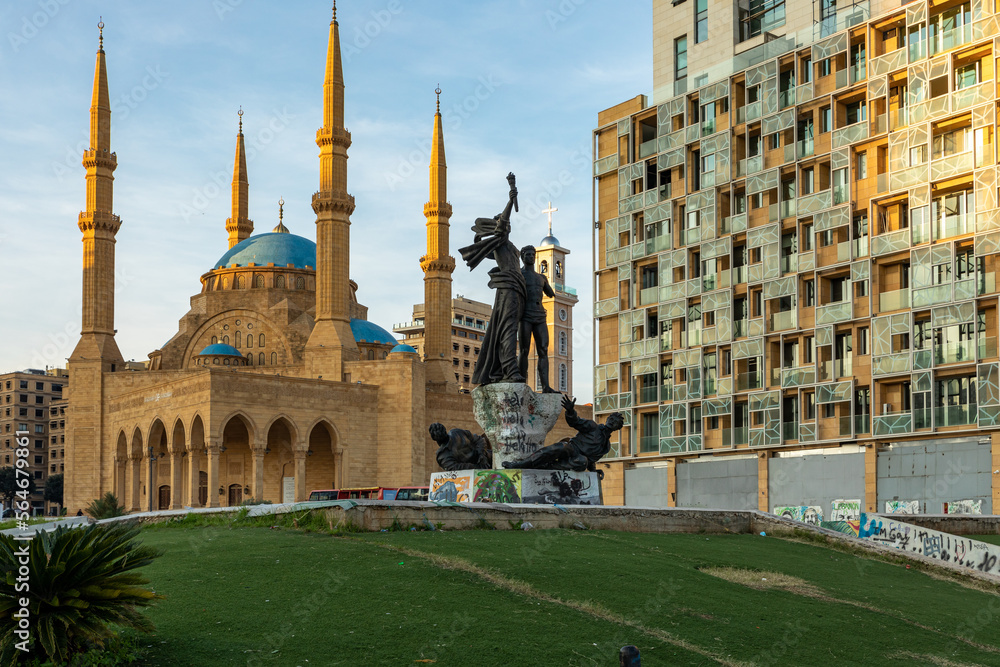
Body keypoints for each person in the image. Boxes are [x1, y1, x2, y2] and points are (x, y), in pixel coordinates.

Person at [458, 173, 526, 384]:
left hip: (518, 288)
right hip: (508, 288)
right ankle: (510, 369)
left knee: (510, 328)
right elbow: (503, 224)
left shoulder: (509, 246)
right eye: (503, 222)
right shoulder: (500, 240)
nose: (507, 224)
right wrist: (510, 199)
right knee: (508, 329)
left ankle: (505, 369)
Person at [502, 395, 624, 472]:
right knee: (562, 447)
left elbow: (591, 460)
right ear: (607, 419)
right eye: (612, 419)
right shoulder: (593, 427)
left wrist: (594, 471)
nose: (612, 422)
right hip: (572, 448)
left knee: (582, 461)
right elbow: (575, 422)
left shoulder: (606, 446)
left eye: (616, 423)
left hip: (579, 459)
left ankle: (546, 469)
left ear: (617, 428)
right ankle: (521, 464)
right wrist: (570, 411)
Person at [518, 245, 556, 392]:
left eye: (533, 255)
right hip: (525, 315)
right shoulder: (519, 274)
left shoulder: (541, 277)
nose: (531, 257)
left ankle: (546, 386)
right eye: (527, 254)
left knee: (543, 350)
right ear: (522, 257)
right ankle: (521, 382)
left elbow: (550, 293)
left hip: (540, 316)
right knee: (524, 350)